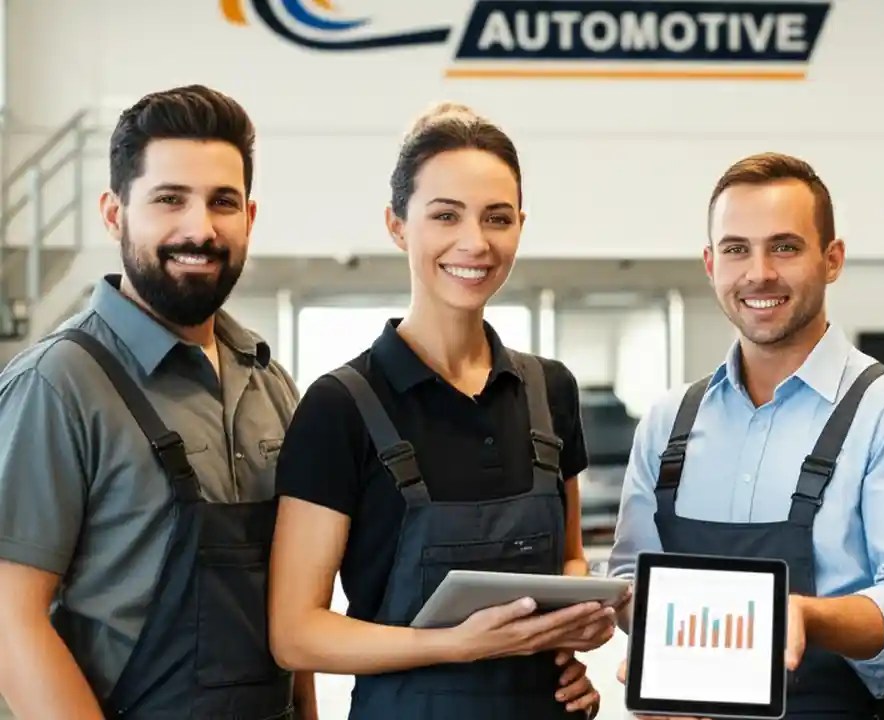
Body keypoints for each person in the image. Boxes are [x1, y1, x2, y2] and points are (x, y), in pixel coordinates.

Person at [267, 103, 616, 719]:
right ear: (397, 225)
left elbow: (567, 559)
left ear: (519, 226)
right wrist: (454, 647)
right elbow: (296, 632)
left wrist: (578, 624)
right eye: (445, 215)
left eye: (497, 218)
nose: (474, 242)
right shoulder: (340, 406)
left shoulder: (550, 391)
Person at [0, 85, 316, 719]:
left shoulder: (271, 384)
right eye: (169, 199)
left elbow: (292, 604)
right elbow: (10, 617)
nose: (199, 228)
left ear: (249, 218)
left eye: (222, 202)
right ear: (115, 214)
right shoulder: (57, 385)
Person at [609, 152, 884, 719]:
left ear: (832, 259)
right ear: (710, 262)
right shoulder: (668, 422)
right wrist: (657, 653)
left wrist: (806, 616)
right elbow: (629, 578)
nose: (759, 273)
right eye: (736, 249)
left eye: (785, 247)